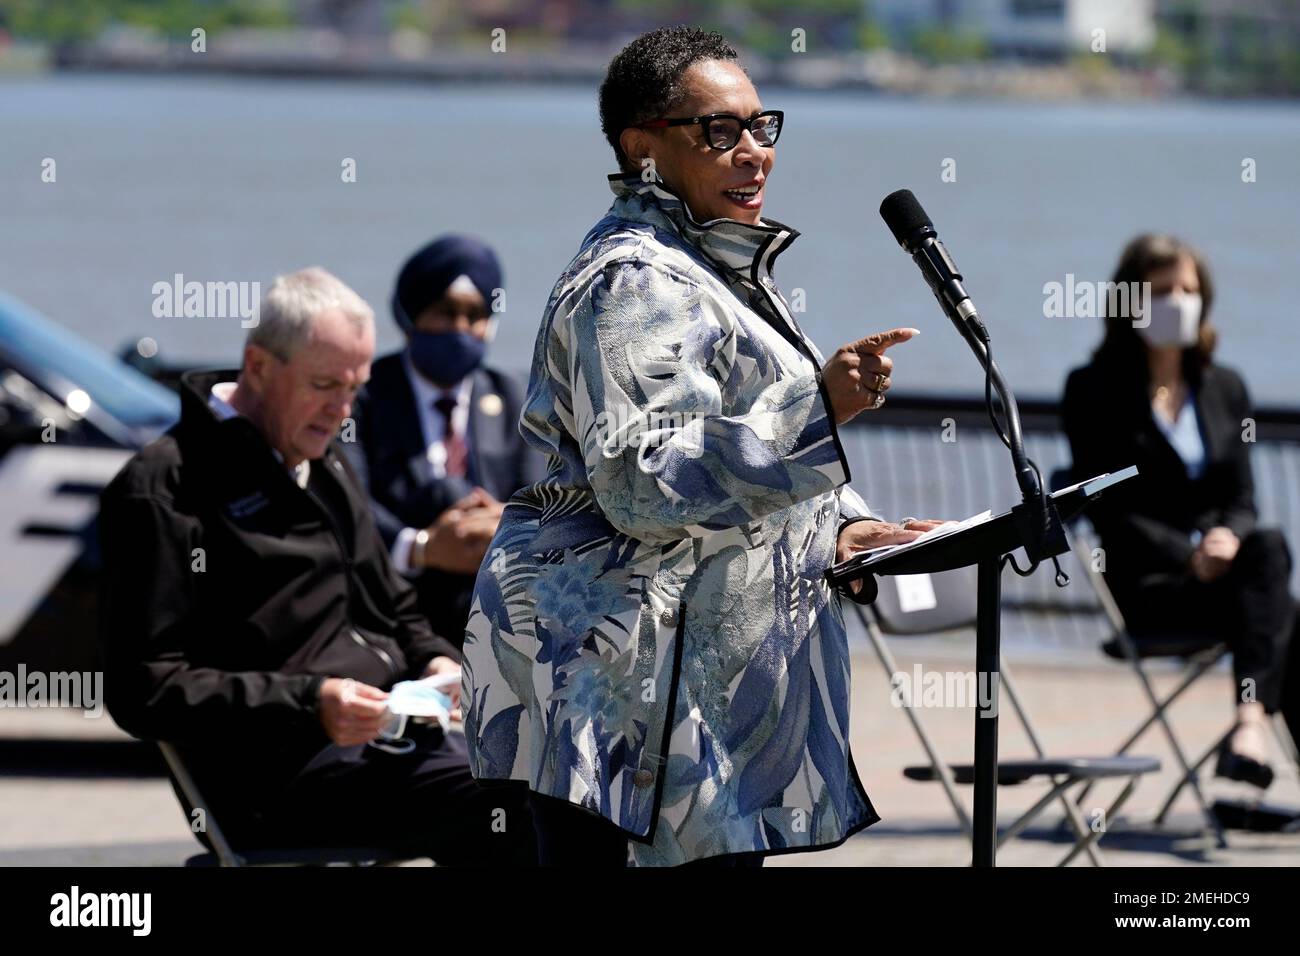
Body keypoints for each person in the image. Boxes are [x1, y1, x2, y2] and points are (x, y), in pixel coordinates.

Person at [460, 27, 942, 867]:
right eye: (719, 131)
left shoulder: (710, 266)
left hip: (696, 712)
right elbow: (643, 481)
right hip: (630, 719)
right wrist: (817, 408)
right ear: (643, 149)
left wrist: (843, 530)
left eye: (763, 127)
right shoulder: (634, 280)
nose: (754, 152)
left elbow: (738, 456)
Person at [99, 267, 535, 864]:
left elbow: (395, 606)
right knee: (518, 807)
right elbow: (144, 688)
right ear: (257, 367)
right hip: (274, 780)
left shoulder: (321, 462)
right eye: (325, 385)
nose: (341, 411)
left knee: (564, 778)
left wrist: (436, 663)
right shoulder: (163, 486)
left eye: (354, 388)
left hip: (390, 741)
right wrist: (312, 702)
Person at [1062, 234, 1299, 790]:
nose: (1178, 300)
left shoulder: (1225, 388)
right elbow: (1107, 502)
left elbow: (1242, 500)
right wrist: (1189, 555)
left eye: (1188, 290)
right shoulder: (1092, 389)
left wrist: (1225, 540)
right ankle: (1250, 729)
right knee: (1285, 612)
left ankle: (1248, 725)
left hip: (1223, 582)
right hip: (1150, 588)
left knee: (1266, 545)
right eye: (1162, 290)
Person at [343, 236, 546, 647]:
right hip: (386, 610)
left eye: (474, 316)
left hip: (500, 611)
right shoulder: (360, 399)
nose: (460, 329)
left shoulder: (518, 398)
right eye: (445, 313)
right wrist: (423, 549)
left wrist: (502, 525)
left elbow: (543, 496)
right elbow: (348, 504)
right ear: (410, 315)